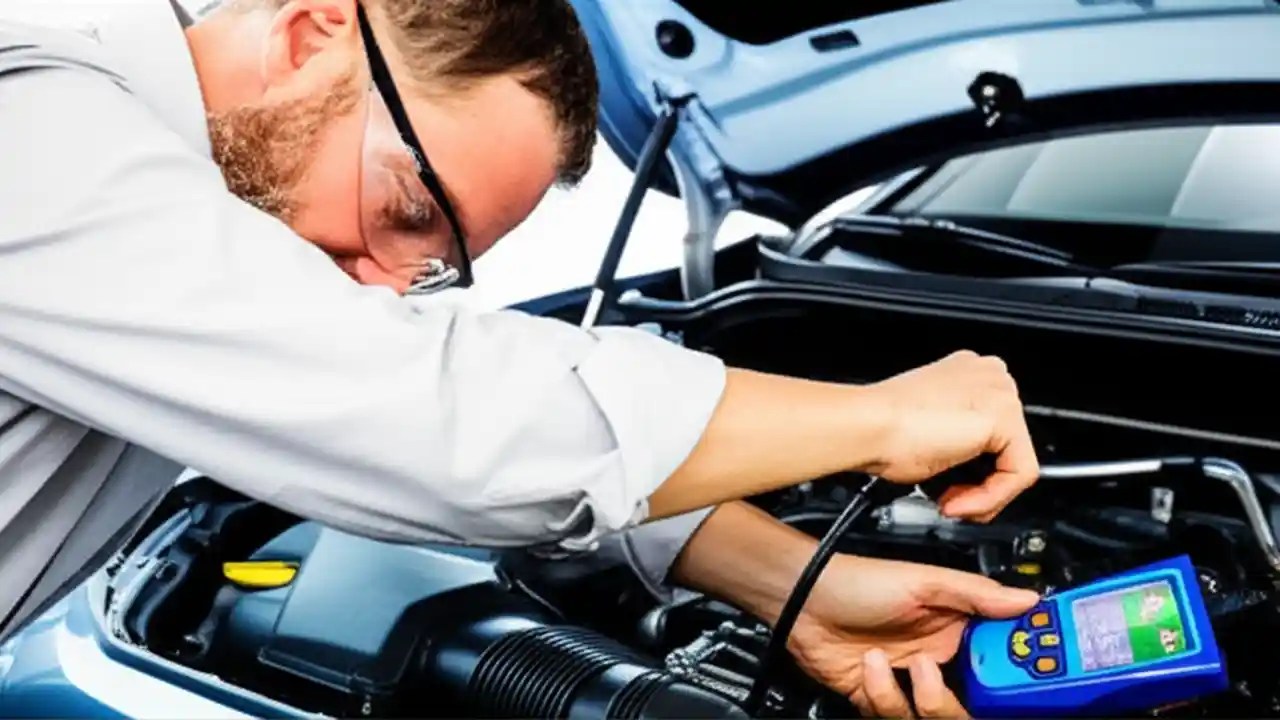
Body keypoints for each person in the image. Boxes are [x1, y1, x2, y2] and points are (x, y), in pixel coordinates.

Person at [0, 0, 1041, 714]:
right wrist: (878, 417)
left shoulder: (170, 225)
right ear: (314, 32)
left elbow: (363, 399)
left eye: (430, 267)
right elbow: (415, 412)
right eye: (409, 209)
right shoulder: (30, 120)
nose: (381, 288)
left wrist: (788, 582)